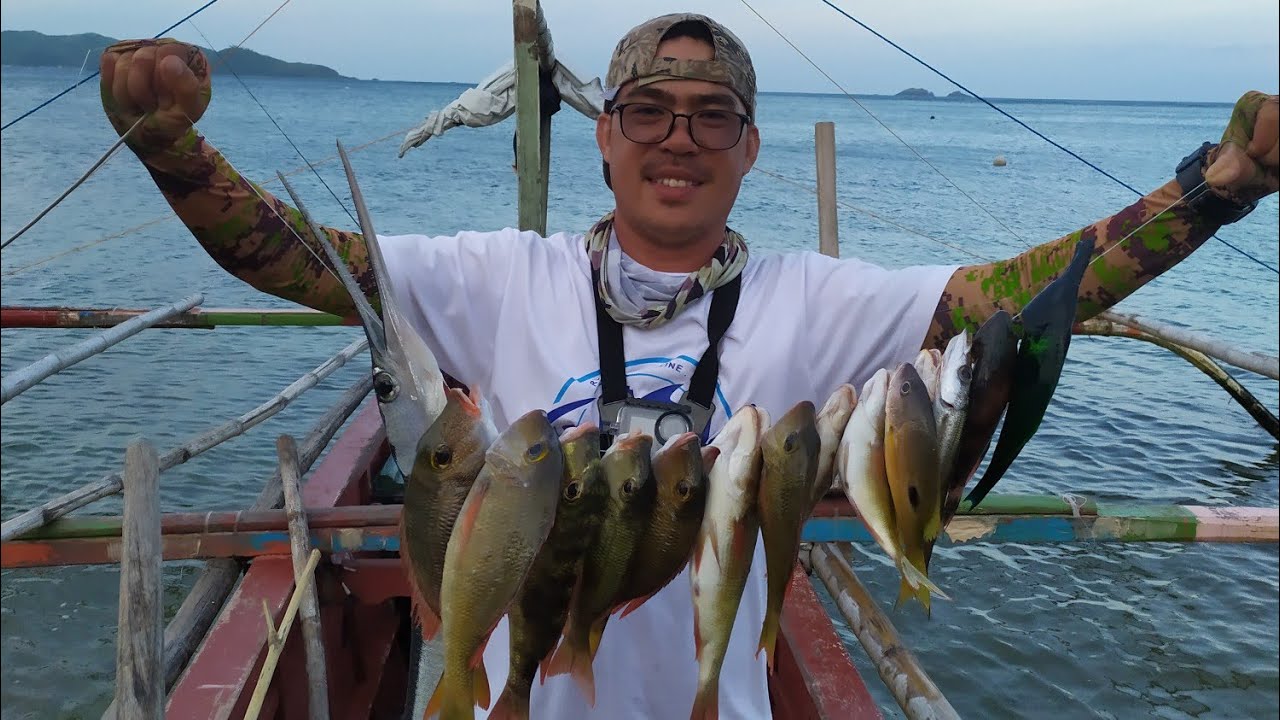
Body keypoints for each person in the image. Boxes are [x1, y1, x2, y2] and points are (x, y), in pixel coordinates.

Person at [98, 12, 1277, 719]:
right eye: (648, 109)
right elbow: (305, 263)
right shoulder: (496, 277)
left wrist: (1210, 195)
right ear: (603, 133)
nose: (677, 135)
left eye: (712, 115)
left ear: (749, 147)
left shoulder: (818, 301)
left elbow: (1012, 302)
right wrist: (169, 149)